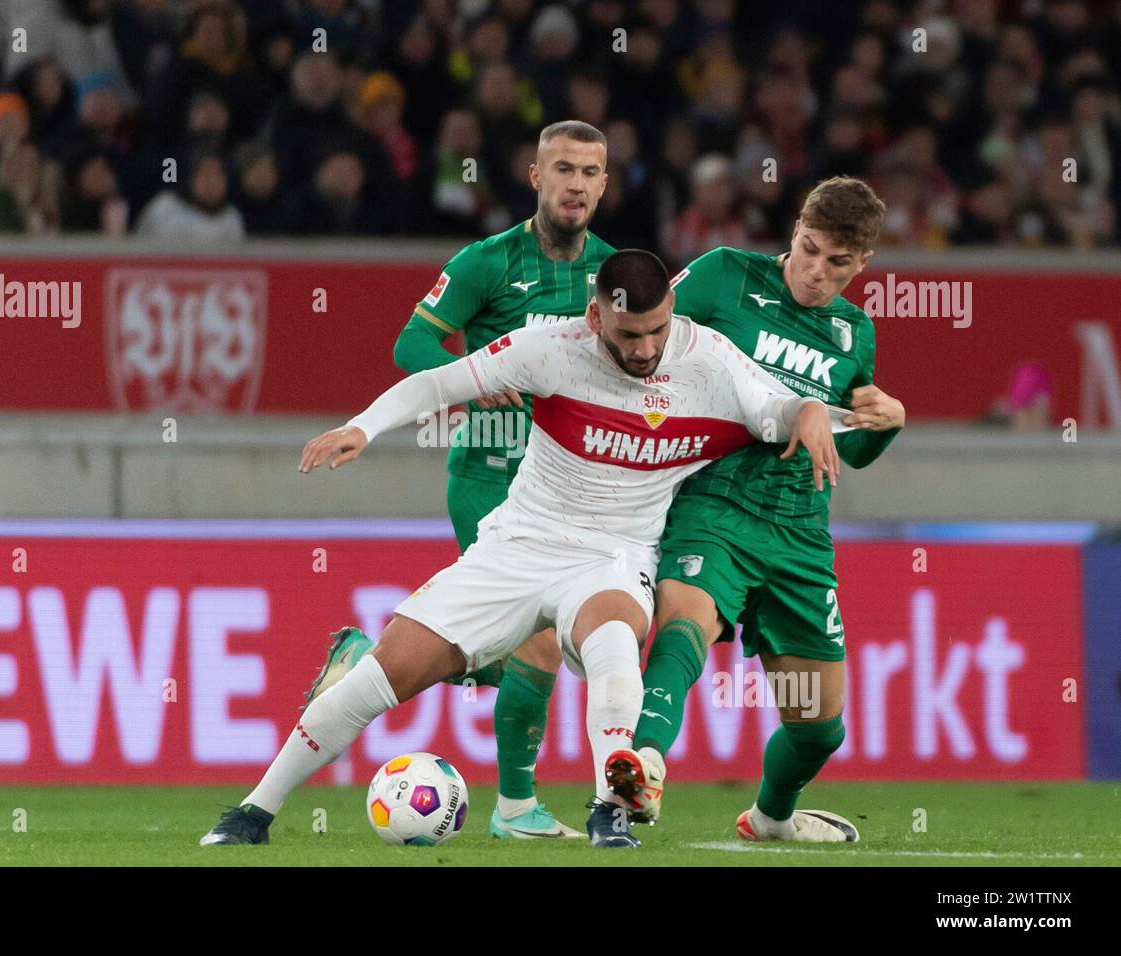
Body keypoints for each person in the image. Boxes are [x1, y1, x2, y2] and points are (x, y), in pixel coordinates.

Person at [199, 249, 844, 849]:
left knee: (616, 636)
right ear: (596, 316)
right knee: (378, 680)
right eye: (628, 336)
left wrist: (809, 410)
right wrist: (363, 426)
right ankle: (252, 813)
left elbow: (777, 407)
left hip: (614, 555)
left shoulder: (710, 360)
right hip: (518, 544)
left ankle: (608, 811)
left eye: (657, 331)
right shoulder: (552, 348)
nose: (647, 349)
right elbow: (438, 384)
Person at [303, 120, 619, 840]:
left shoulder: (616, 274)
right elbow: (411, 339)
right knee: (539, 641)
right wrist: (468, 386)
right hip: (490, 474)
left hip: (575, 488)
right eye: (562, 168)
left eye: (589, 172)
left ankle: (367, 664)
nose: (575, 183)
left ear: (604, 184)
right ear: (536, 176)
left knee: (536, 651)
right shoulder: (488, 261)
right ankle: (515, 811)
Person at [606, 176, 906, 844]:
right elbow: (643, 337)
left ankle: (771, 819)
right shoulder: (723, 276)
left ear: (863, 266)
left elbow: (851, 452)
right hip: (715, 499)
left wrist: (886, 422)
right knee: (685, 614)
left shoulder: (854, 332)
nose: (815, 272)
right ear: (795, 228)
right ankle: (643, 763)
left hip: (800, 529)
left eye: (837, 263)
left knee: (818, 725)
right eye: (808, 249)